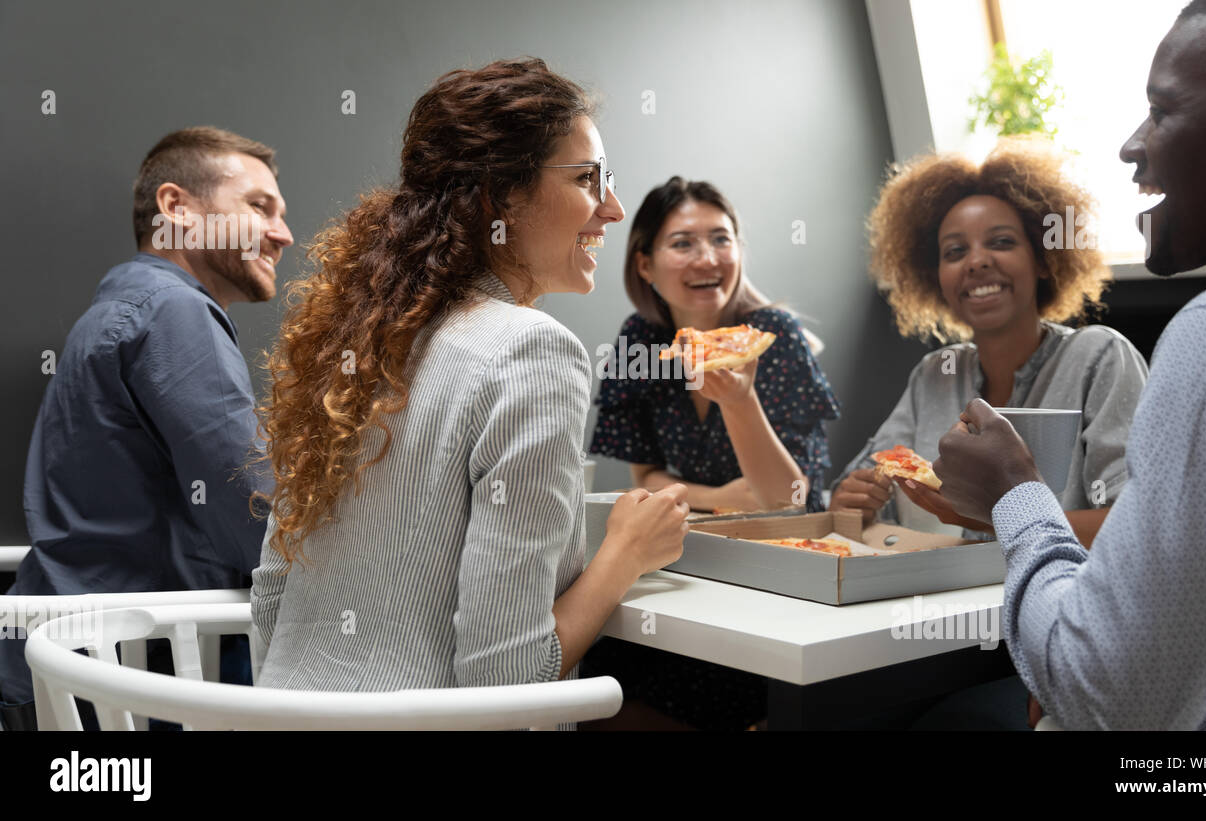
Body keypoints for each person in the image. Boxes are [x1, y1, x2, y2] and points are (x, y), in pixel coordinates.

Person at [250, 59, 688, 697]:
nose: (614, 209)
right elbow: (504, 679)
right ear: (500, 194)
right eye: (588, 180)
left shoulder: (354, 341)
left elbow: (270, 598)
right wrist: (626, 552)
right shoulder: (533, 351)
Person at [932, 0, 1206, 729]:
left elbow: (1103, 692)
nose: (1132, 145)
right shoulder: (934, 375)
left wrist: (1013, 490)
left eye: (1162, 112)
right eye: (951, 251)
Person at [0, 127, 293, 730]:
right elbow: (257, 519)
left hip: (60, 668)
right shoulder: (174, 310)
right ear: (176, 208)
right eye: (258, 206)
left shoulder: (123, 305)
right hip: (113, 682)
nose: (283, 232)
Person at [830, 138, 1148, 549]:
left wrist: (989, 519)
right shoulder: (934, 374)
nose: (977, 261)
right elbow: (864, 487)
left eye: (1001, 242)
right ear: (936, 277)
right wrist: (852, 498)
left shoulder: (1100, 357)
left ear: (1043, 259)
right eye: (955, 251)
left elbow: (1138, 521)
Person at [588, 177, 840, 514]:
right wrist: (719, 499)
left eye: (721, 239)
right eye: (682, 244)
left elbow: (789, 501)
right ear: (645, 265)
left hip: (790, 543)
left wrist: (740, 400)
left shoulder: (775, 335)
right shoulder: (642, 338)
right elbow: (646, 477)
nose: (707, 259)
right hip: (697, 541)